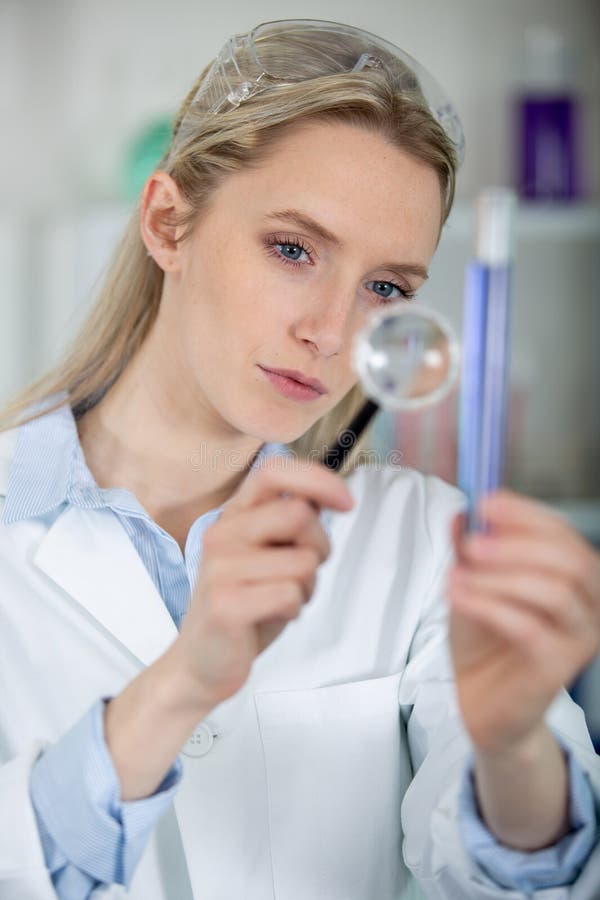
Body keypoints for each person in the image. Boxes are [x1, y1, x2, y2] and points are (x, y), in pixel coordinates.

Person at [0, 18, 599, 900]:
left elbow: (527, 882)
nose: (332, 331)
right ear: (168, 222)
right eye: (293, 249)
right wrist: (180, 684)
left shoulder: (427, 541)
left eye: (385, 287)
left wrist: (512, 749)